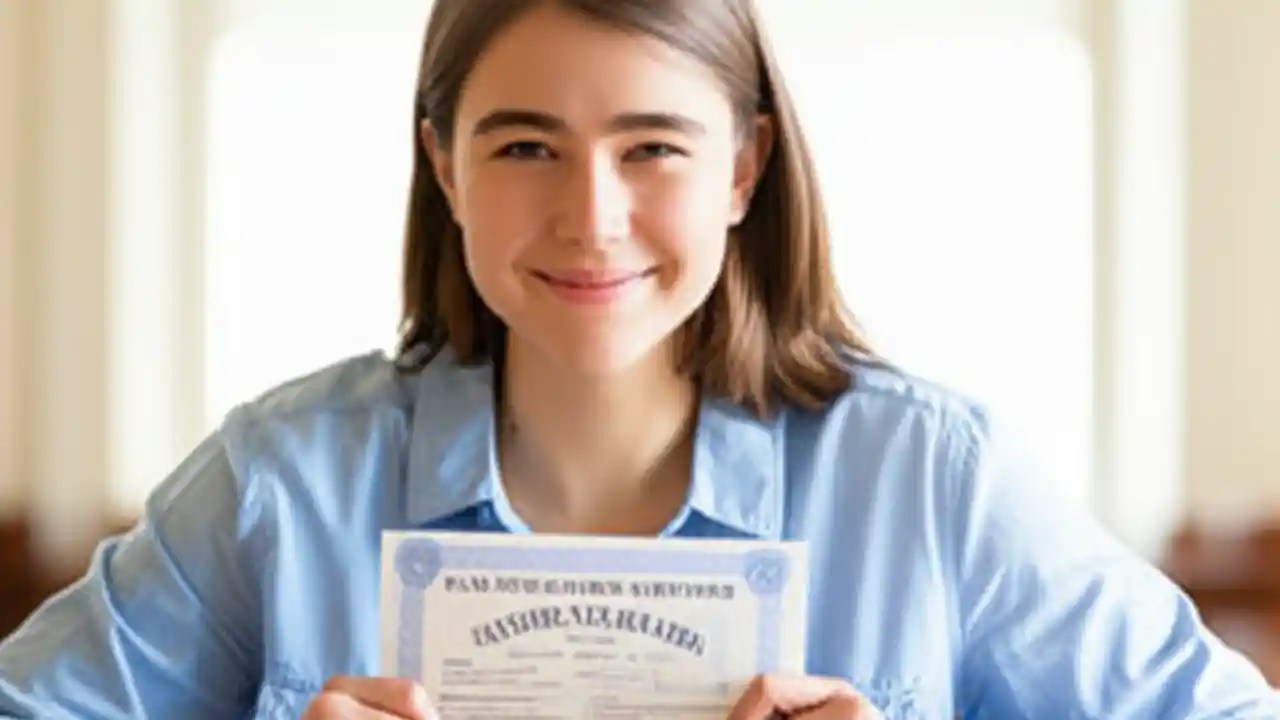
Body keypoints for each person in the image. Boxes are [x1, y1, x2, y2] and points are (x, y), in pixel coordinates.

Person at [1, 0, 1276, 717]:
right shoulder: (286, 481)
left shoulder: (931, 481)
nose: (590, 217)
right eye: (522, 147)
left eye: (653, 147)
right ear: (442, 167)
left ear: (744, 169)